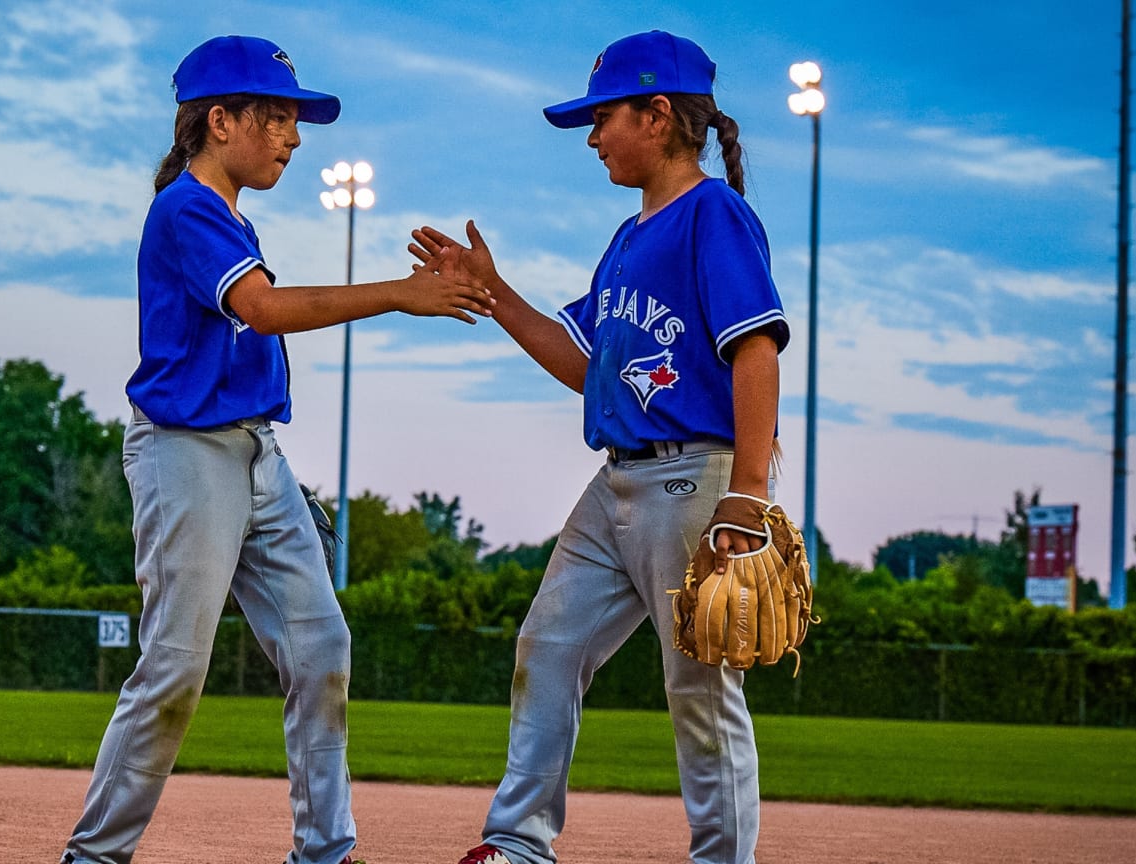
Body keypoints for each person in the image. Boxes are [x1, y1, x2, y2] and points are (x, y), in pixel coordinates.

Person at [60, 35, 492, 864]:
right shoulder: (187, 208)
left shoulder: (227, 216)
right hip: (187, 455)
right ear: (220, 121)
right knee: (173, 668)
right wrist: (400, 293)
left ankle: (325, 851)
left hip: (258, 457)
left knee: (322, 647)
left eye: (295, 122)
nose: (294, 138)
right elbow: (261, 308)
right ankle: (94, 856)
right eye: (278, 118)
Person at [409, 30, 788, 864]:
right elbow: (586, 365)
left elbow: (756, 349)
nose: (592, 138)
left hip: (694, 478)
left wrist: (749, 489)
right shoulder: (627, 238)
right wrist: (493, 292)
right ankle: (518, 844)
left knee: (699, 686)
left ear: (657, 115)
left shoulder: (714, 215)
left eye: (602, 117)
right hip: (615, 481)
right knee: (547, 649)